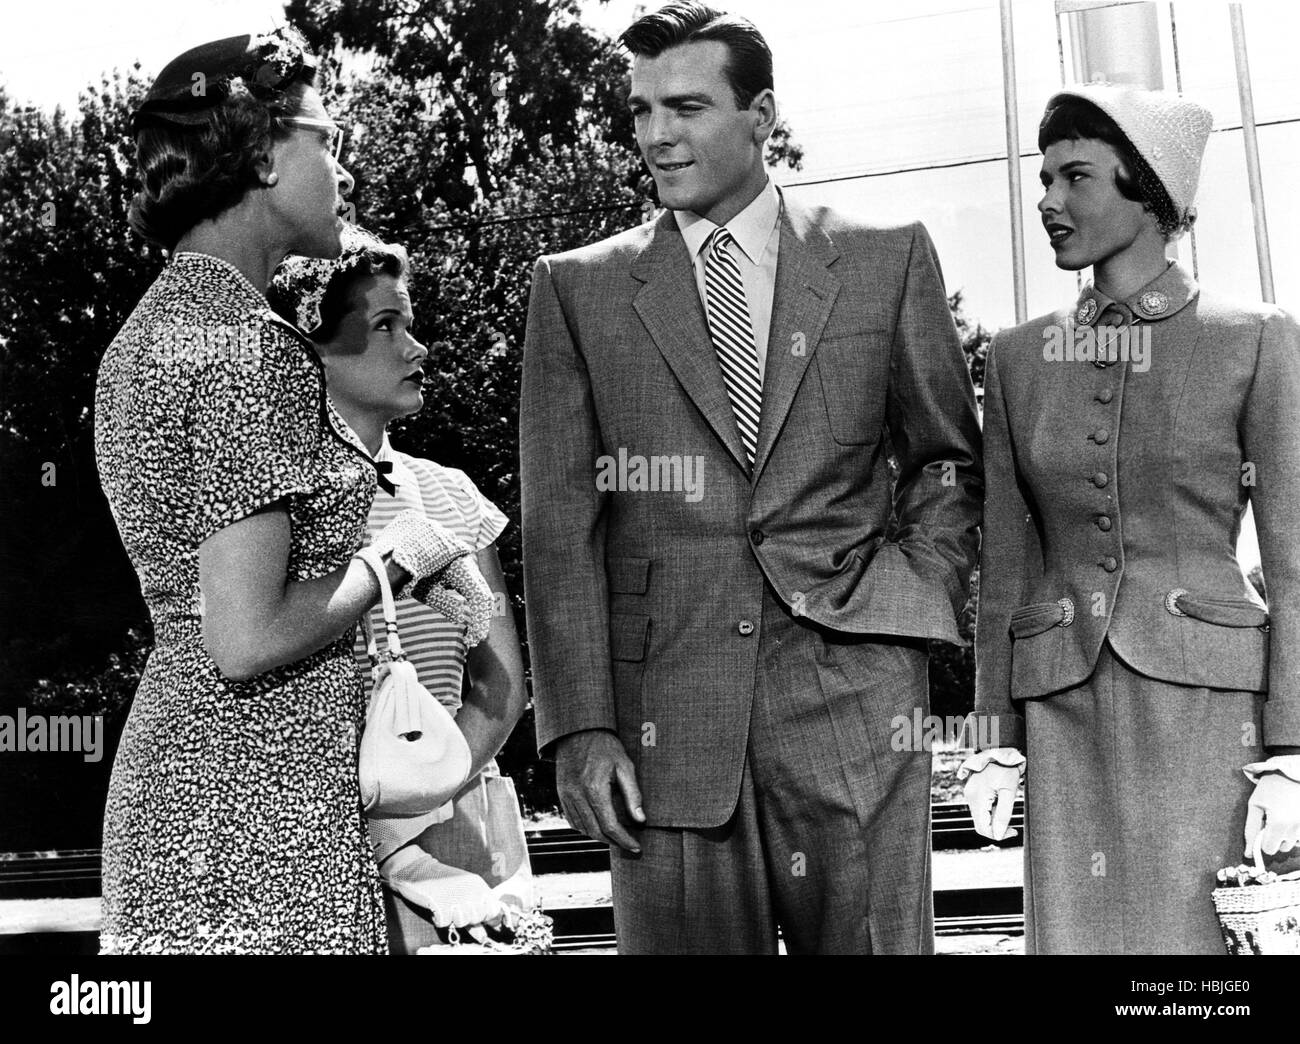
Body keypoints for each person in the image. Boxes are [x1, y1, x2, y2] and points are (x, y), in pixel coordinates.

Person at [519, 1, 982, 955]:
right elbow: (559, 525)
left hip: (854, 702)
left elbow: (946, 460)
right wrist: (579, 729)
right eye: (641, 111)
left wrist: (905, 598)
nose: (654, 135)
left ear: (762, 114)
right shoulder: (577, 288)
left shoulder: (886, 256)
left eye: (684, 106)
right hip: (663, 722)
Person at [94, 30, 490, 954]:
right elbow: (249, 637)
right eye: (329, 140)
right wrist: (398, 558)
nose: (343, 169)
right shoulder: (253, 343)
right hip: (255, 805)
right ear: (265, 152)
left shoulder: (144, 336)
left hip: (177, 794)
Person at [963, 82, 1300, 954]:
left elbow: (1296, 562)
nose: (1048, 201)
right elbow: (1006, 565)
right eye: (1043, 179)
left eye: (1076, 176)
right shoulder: (1015, 358)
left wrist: (1293, 752)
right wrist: (992, 740)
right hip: (1062, 708)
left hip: (1209, 709)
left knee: (1195, 971)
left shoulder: (1252, 338)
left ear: (1147, 193)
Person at [269, 227, 536, 954]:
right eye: (386, 325)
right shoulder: (267, 513)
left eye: (410, 324)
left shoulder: (449, 497)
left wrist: (419, 798)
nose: (416, 348)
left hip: (450, 834)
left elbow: (500, 689)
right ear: (312, 349)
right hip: (316, 844)